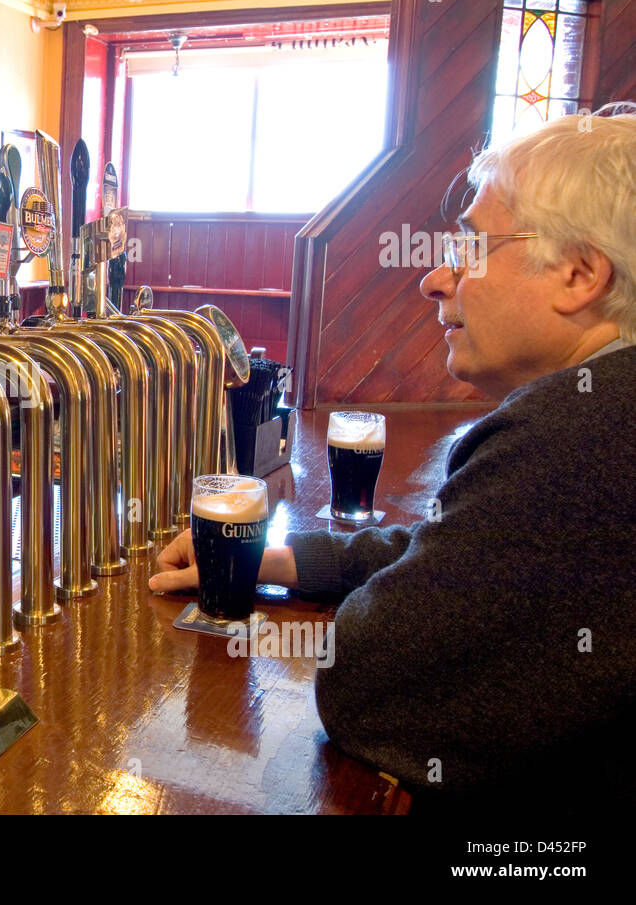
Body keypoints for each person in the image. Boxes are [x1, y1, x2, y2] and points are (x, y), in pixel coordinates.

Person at [151, 107, 636, 808]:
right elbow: (457, 555)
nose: (433, 279)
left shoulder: (575, 433)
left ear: (579, 273)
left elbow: (368, 686)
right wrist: (282, 560)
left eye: (471, 248)